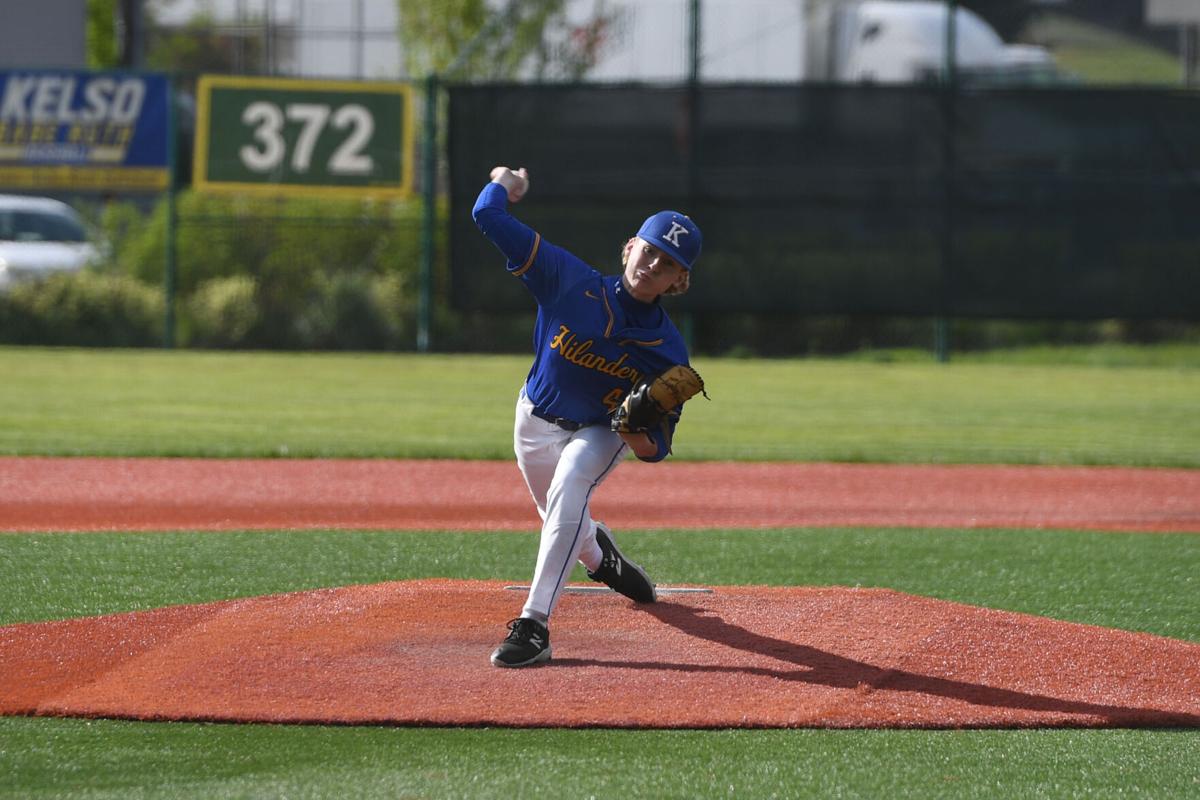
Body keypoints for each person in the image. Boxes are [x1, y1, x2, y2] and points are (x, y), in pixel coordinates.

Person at [473, 165, 703, 668]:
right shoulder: (565, 278)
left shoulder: (667, 351)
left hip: (602, 432)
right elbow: (485, 214)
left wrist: (635, 428)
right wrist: (505, 182)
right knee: (561, 514)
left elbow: (655, 450)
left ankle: (534, 625)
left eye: (667, 263)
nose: (652, 265)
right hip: (533, 421)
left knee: (571, 485)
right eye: (649, 251)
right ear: (629, 247)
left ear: (678, 280)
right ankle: (601, 559)